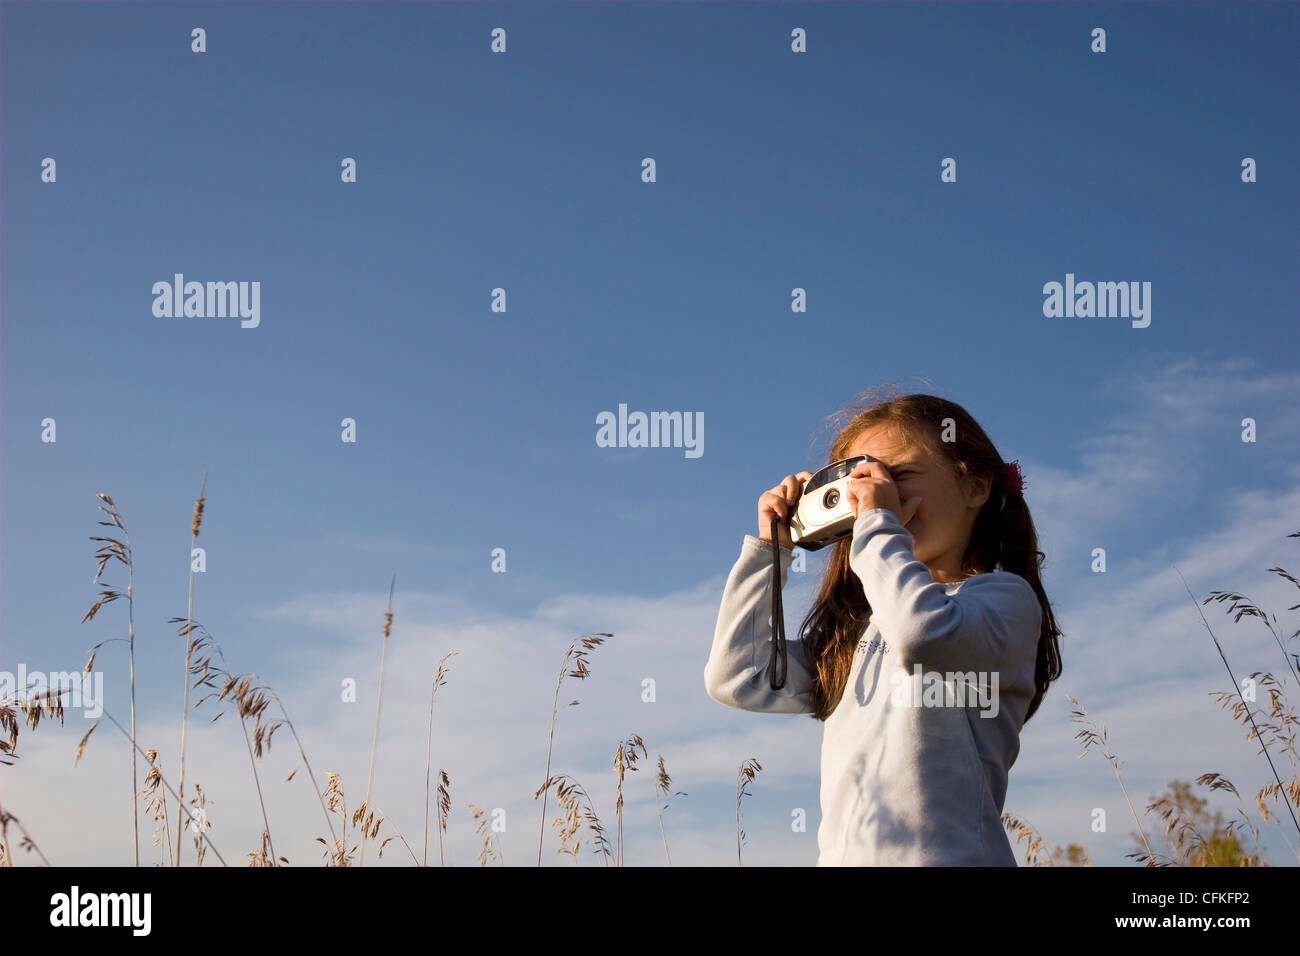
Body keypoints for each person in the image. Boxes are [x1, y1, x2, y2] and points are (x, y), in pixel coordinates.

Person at [703, 392, 1063, 865]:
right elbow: (738, 677)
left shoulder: (1001, 600)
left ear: (975, 488)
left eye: (902, 475)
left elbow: (920, 633)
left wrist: (877, 522)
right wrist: (772, 551)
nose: (880, 494)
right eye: (866, 483)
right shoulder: (856, 632)